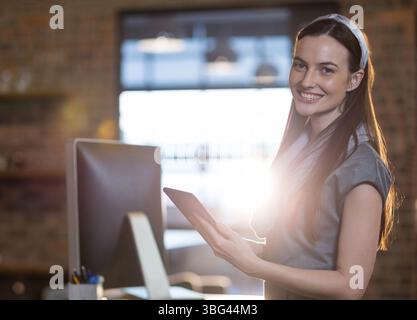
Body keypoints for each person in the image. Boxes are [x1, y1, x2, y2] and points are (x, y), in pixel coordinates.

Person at [193, 14, 399, 299]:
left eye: (326, 70)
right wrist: (238, 247)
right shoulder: (299, 153)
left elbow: (351, 285)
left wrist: (254, 266)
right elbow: (296, 254)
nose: (306, 81)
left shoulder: (360, 167)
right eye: (300, 65)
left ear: (354, 80)